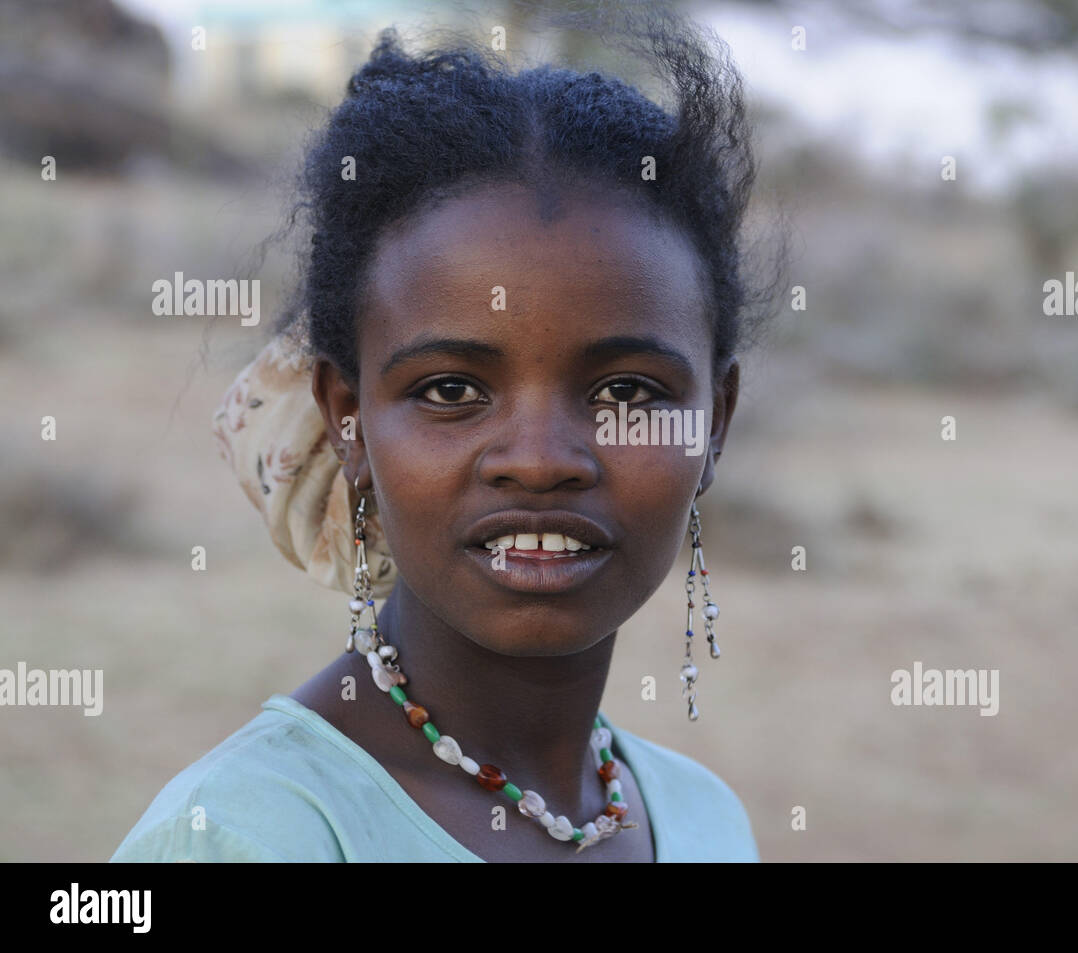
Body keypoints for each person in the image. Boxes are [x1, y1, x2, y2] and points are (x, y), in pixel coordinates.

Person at [112, 4, 784, 863]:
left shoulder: (705, 822)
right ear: (346, 418)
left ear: (714, 421)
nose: (540, 460)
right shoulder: (249, 833)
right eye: (452, 388)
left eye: (625, 389)